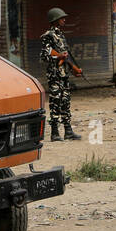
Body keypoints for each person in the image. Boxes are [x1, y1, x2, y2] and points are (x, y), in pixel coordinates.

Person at [40, 8, 82, 141]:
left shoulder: (61, 35)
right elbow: (44, 56)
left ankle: (68, 131)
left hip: (63, 74)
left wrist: (74, 68)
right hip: (54, 75)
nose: (64, 20)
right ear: (55, 20)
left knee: (65, 101)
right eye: (61, 18)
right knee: (55, 102)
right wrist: (58, 57)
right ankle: (54, 133)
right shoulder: (48, 36)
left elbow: (66, 56)